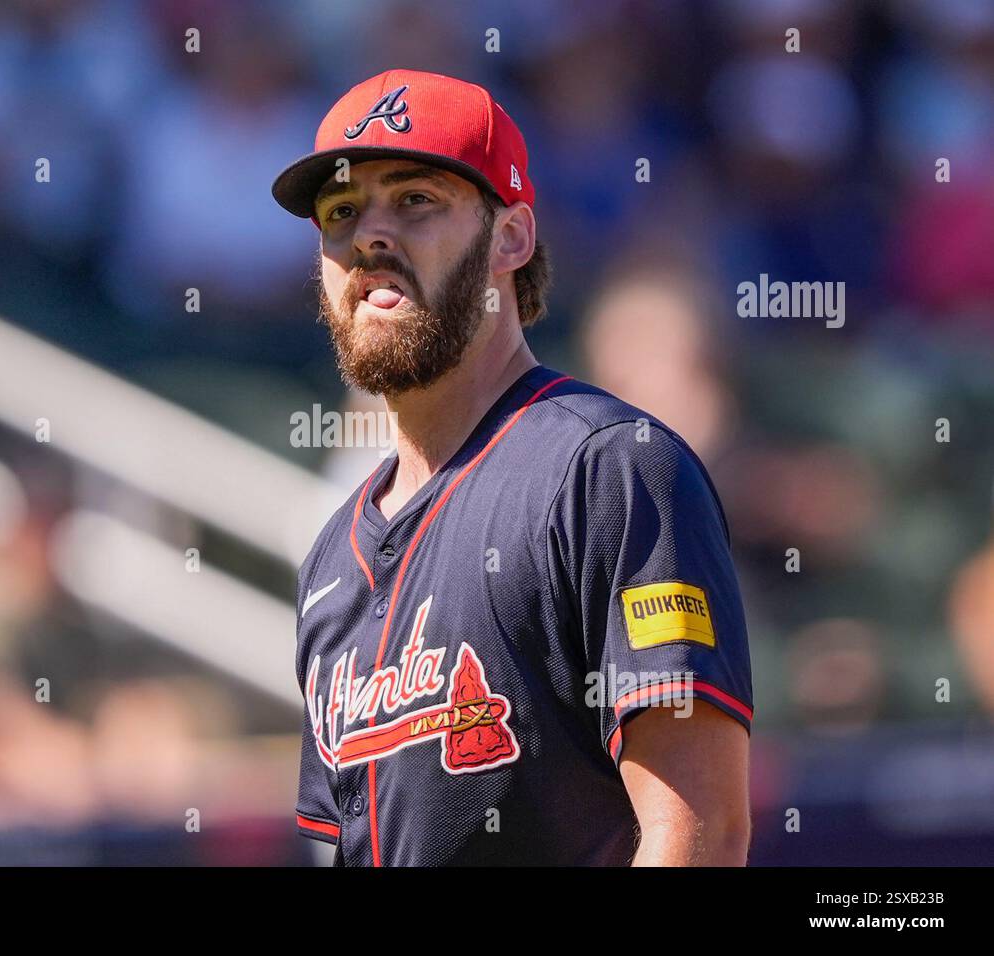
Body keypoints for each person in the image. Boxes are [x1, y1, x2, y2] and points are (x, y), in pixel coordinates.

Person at [271, 69, 753, 866]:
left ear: (512, 238)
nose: (369, 236)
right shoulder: (331, 560)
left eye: (415, 200)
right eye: (342, 212)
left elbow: (699, 833)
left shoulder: (608, 473)